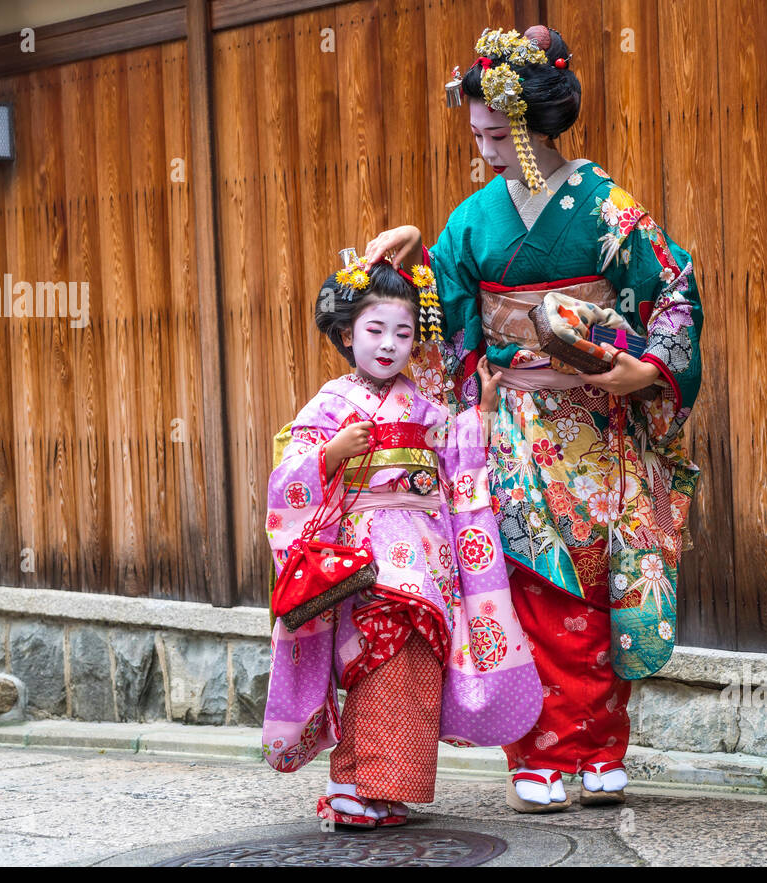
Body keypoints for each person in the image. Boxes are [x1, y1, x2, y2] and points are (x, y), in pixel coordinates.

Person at [365, 25, 703, 812]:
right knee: (526, 588)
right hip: (515, 424)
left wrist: (646, 368)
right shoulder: (473, 220)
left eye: (491, 134)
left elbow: (673, 290)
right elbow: (444, 320)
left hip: (596, 420)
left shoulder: (608, 208)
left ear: (532, 129)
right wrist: (412, 257)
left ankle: (600, 748)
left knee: (598, 585)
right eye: (476, 134)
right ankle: (540, 751)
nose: (481, 148)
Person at [261, 253, 541, 827]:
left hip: (428, 550)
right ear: (346, 334)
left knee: (413, 661)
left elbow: (459, 453)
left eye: (403, 332)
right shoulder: (333, 403)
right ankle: (353, 786)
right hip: (367, 558)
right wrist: (331, 453)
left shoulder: (423, 405)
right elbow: (288, 474)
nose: (389, 344)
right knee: (375, 656)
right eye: (374, 330)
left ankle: (377, 792)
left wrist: (483, 412)